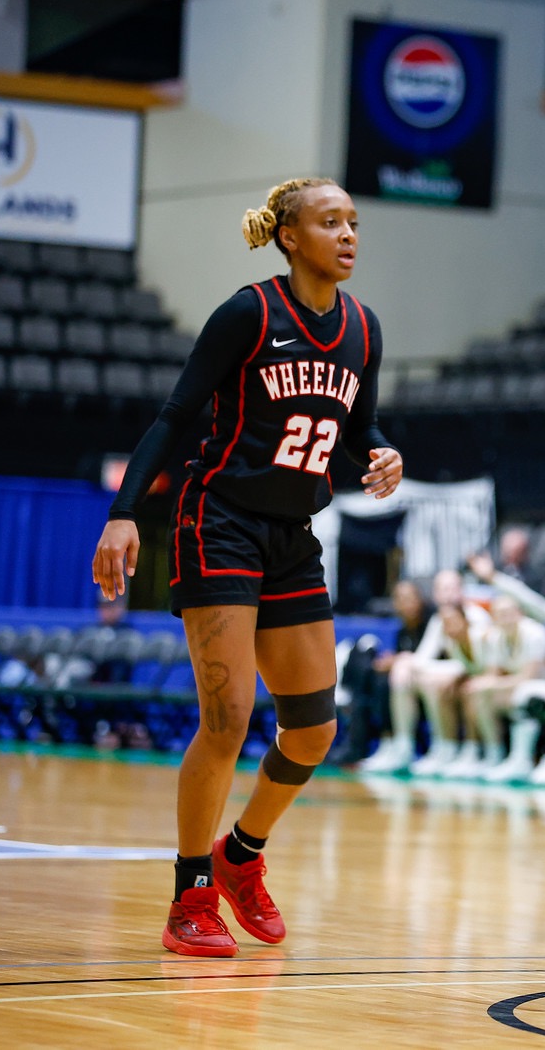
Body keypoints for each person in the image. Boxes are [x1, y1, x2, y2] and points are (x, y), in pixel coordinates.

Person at [90, 177, 402, 957]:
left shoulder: (363, 329)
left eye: (354, 222)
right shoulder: (249, 312)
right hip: (218, 519)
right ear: (290, 236)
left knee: (314, 729)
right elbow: (175, 414)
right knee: (227, 720)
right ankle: (190, 890)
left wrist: (382, 452)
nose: (349, 234)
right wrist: (124, 511)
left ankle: (242, 854)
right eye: (331, 222)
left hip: (293, 532)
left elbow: (357, 429)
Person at [456, 595, 545, 781]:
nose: (505, 618)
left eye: (508, 613)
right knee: (480, 696)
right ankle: (494, 754)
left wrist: (491, 684)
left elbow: (529, 676)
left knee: (525, 694)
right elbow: (493, 673)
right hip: (519, 686)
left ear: (519, 613)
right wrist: (482, 685)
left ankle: (522, 760)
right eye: (499, 614)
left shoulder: (535, 633)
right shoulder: (496, 636)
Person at [406, 569, 493, 777]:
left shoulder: (478, 619)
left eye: (453, 588)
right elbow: (421, 659)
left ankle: (472, 750)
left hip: (485, 677)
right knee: (427, 680)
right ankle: (443, 747)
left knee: (468, 687)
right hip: (460, 678)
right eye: (443, 589)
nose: (449, 594)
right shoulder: (440, 619)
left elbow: (479, 665)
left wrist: (450, 672)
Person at [350, 580, 429, 769]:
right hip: (405, 683)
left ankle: (401, 745)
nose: (405, 603)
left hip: (428, 682)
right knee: (379, 679)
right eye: (400, 599)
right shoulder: (402, 631)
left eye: (409, 598)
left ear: (420, 600)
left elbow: (426, 658)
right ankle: (387, 743)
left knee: (389, 681)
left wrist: (398, 660)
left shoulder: (429, 624)